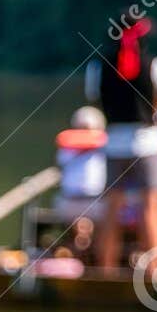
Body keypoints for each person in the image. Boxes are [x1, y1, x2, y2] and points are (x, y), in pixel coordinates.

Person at [86, 19, 157, 269]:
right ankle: (156, 271)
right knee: (152, 207)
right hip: (148, 143)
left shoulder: (97, 66)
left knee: (111, 208)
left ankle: (106, 270)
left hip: (114, 143)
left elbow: (95, 99)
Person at [55, 106, 108, 249]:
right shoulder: (66, 148)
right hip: (72, 200)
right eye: (82, 128)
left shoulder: (106, 145)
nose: (86, 133)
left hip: (96, 199)